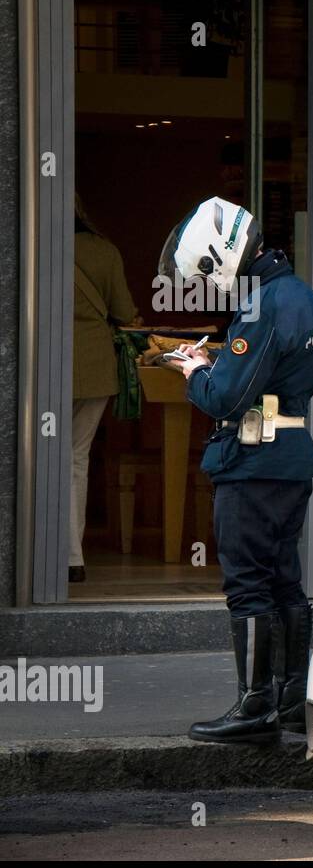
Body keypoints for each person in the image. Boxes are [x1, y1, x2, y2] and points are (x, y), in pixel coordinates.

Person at [159, 196, 313, 743]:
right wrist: (222, 362)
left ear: (220, 257)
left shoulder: (262, 306)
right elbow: (274, 380)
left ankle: (253, 709)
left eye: (207, 274)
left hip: (252, 465)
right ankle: (289, 702)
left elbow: (225, 399)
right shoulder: (303, 297)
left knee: (248, 587)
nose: (212, 286)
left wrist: (192, 369)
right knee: (286, 583)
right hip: (289, 461)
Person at [70, 194, 138, 583]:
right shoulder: (104, 251)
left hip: (43, 365)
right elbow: (125, 312)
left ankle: (39, 554)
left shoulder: (34, 242)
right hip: (94, 367)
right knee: (76, 458)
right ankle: (71, 556)